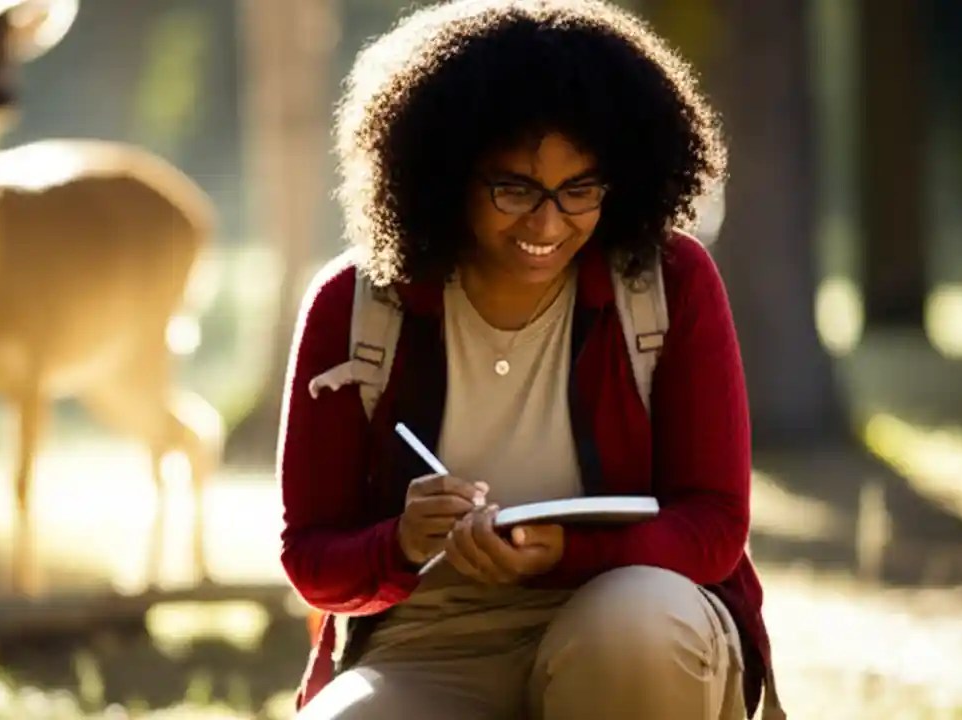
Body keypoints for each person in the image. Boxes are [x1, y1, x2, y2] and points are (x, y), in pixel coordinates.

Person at [277, 1, 782, 718]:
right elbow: (311, 559)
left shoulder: (669, 283)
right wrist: (402, 543)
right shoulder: (355, 306)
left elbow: (714, 527)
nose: (547, 224)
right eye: (513, 188)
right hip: (432, 642)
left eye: (580, 190)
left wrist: (566, 556)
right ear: (445, 172)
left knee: (633, 628)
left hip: (632, 621)